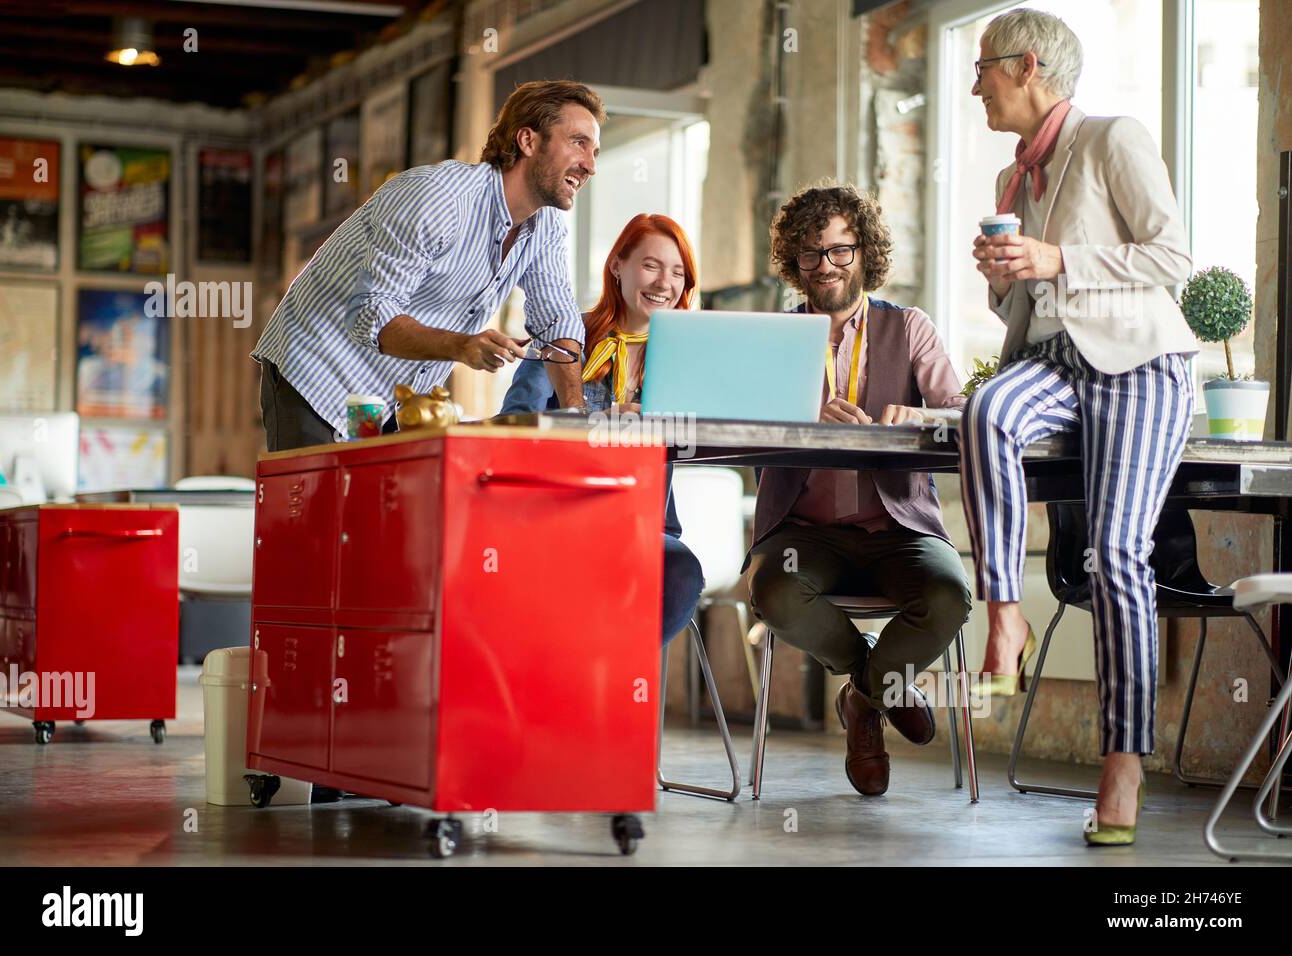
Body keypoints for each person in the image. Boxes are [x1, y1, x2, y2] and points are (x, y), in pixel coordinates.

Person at [960, 8, 1197, 845]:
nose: (976, 83)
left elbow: (1174, 256)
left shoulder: (1111, 138)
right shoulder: (1010, 182)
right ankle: (1005, 614)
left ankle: (1123, 761)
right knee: (986, 409)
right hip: (1056, 362)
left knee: (1116, 555)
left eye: (983, 66)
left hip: (1139, 363)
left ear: (1027, 67)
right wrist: (1001, 276)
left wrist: (1058, 258)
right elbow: (1022, 301)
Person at [746, 183, 971, 797]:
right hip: (805, 530)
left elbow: (961, 416)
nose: (826, 267)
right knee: (775, 593)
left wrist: (911, 421)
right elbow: (737, 422)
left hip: (898, 528)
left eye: (840, 251)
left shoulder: (910, 329)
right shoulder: (772, 336)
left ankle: (863, 701)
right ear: (794, 264)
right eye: (811, 255)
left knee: (950, 596)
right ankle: (882, 685)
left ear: (864, 252)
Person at [251, 79, 606, 452]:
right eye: (578, 143)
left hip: (393, 398)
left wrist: (576, 418)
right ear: (528, 141)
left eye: (595, 150)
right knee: (321, 509)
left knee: (381, 509)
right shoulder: (438, 197)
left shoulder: (545, 227)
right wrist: (463, 346)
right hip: (319, 374)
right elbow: (372, 314)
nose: (591, 165)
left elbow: (557, 321)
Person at [500, 213, 705, 644]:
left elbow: (706, 438)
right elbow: (512, 425)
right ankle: (586, 681)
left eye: (677, 272)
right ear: (617, 265)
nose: (664, 283)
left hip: (647, 525)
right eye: (651, 265)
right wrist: (590, 426)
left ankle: (608, 676)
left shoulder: (691, 358)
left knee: (681, 573)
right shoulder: (565, 336)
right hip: (559, 517)